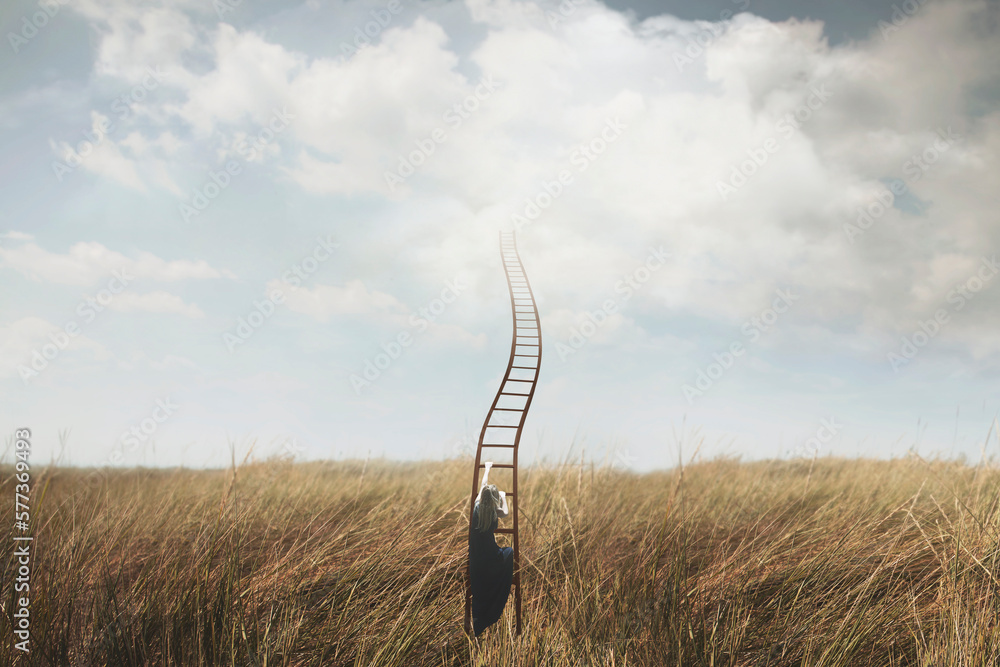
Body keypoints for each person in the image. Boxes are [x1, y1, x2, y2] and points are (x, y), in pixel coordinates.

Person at [468, 461, 514, 637]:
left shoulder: (477, 508)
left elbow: (483, 485)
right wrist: (503, 496)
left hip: (477, 556)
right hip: (490, 555)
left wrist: (487, 469)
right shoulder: (495, 512)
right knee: (509, 552)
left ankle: (479, 621)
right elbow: (507, 512)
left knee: (481, 585)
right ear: (494, 499)